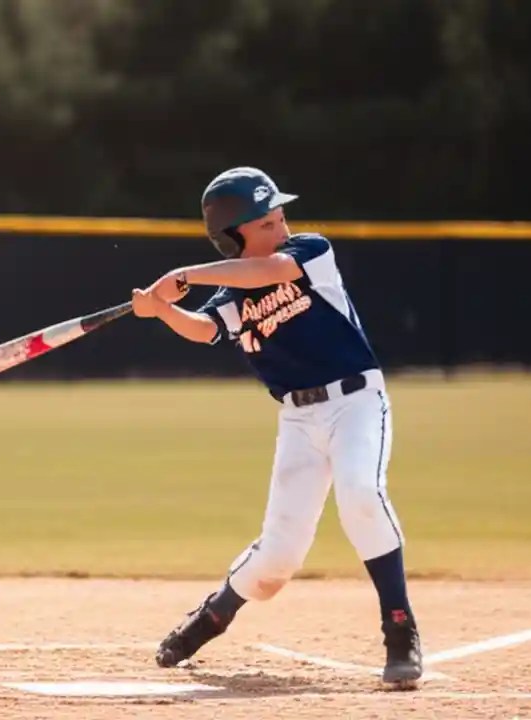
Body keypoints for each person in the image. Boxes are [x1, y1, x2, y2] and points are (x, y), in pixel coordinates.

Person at [133, 167, 423, 689]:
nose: (282, 228)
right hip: (298, 419)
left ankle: (399, 628)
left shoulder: (309, 252)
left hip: (356, 402)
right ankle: (214, 613)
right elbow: (204, 330)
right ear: (233, 236)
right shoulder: (231, 293)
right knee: (278, 556)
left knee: (361, 492)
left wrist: (186, 276)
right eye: (267, 223)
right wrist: (159, 310)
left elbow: (270, 272)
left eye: (280, 216)